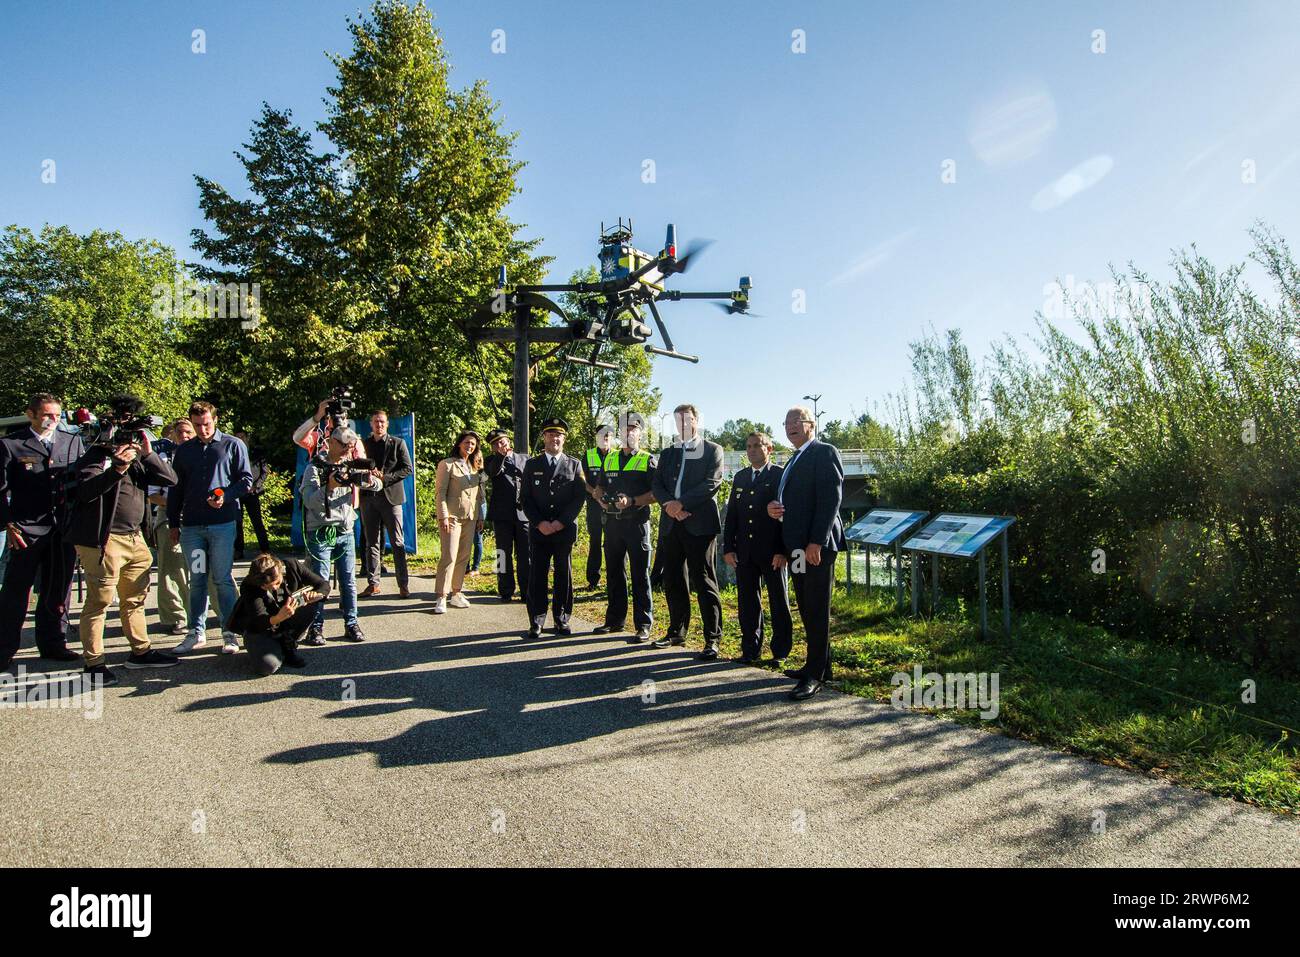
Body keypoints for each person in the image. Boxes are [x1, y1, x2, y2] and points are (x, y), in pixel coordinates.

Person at [65, 396, 181, 685]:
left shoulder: (139, 457)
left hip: (135, 538)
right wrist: (116, 468)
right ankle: (94, 664)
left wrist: (147, 453)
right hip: (103, 540)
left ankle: (140, 652)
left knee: (135, 599)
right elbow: (85, 493)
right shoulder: (95, 456)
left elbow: (170, 479)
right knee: (99, 602)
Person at [0, 393, 86, 671]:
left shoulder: (71, 442)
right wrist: (8, 524)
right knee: (16, 591)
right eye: (48, 415)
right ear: (32, 414)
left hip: (62, 529)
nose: (53, 420)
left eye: (57, 415)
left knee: (58, 589)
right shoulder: (11, 445)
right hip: (26, 529)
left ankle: (53, 643)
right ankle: (5, 648)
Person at [767, 405, 845, 701]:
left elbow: (831, 499)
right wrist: (772, 509)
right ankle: (820, 664)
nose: (790, 427)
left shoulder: (824, 452)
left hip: (816, 547)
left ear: (811, 424)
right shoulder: (792, 461)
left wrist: (817, 541)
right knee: (806, 605)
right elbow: (788, 502)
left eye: (796, 422)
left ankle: (815, 675)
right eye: (786, 423)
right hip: (796, 547)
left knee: (817, 606)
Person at [168, 401, 254, 655]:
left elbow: (246, 480)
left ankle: (230, 632)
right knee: (196, 579)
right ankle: (196, 631)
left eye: (206, 424)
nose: (202, 429)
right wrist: (173, 522)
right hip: (192, 526)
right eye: (197, 425)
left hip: (222, 524)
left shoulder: (232, 444)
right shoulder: (184, 451)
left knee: (222, 578)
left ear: (215, 420)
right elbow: (176, 488)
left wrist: (225, 496)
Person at [651, 404, 725, 657]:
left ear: (696, 420)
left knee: (703, 580)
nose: (682, 424)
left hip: (699, 524)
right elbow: (657, 484)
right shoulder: (668, 453)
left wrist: (681, 504)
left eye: (687, 419)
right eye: (678, 420)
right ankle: (677, 632)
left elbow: (712, 483)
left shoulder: (712, 450)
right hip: (672, 524)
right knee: (673, 579)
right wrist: (669, 507)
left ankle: (712, 638)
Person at [300, 425, 380, 643]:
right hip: (321, 531)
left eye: (351, 445)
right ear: (331, 442)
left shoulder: (350, 465)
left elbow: (377, 485)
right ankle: (315, 628)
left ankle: (351, 624)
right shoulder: (315, 468)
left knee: (348, 580)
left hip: (345, 530)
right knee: (321, 581)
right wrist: (331, 486)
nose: (348, 449)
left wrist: (371, 481)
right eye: (344, 444)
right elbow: (309, 501)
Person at [723, 431, 793, 664]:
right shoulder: (741, 477)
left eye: (757, 445)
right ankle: (750, 650)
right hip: (745, 550)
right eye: (749, 446)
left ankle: (780, 652)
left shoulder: (780, 476)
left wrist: (783, 550)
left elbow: (787, 515)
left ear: (769, 449)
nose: (752, 450)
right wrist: (728, 547)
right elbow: (733, 514)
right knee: (748, 602)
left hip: (772, 551)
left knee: (778, 601)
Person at [592, 414, 657, 643]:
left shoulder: (647, 459)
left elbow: (657, 494)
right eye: (624, 429)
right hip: (612, 523)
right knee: (614, 573)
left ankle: (643, 625)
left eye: (633, 429)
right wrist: (599, 497)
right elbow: (599, 487)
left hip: (637, 524)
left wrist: (632, 501)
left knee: (640, 575)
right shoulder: (609, 459)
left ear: (640, 433)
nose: (628, 433)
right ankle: (614, 621)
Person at [521, 418, 586, 639]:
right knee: (537, 576)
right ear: (544, 438)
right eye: (550, 435)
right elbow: (526, 499)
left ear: (564, 439)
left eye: (558, 435)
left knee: (563, 577)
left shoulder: (575, 465)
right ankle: (536, 621)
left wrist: (560, 523)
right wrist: (540, 523)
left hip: (563, 531)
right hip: (539, 531)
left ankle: (561, 619)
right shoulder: (532, 465)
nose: (555, 438)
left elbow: (578, 499)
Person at [227, 553, 327, 676]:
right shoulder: (250, 585)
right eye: (266, 586)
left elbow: (323, 584)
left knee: (312, 604)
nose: (274, 588)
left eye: (276, 583)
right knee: (267, 668)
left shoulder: (292, 565)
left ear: (280, 571)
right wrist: (279, 617)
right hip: (260, 629)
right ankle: (269, 648)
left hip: (284, 623)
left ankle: (287, 645)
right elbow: (259, 620)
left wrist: (316, 595)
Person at [430, 430, 488, 615]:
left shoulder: (474, 467)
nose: (470, 446)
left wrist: (480, 517)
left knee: (463, 557)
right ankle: (441, 595)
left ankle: (456, 592)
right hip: (452, 518)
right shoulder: (447, 464)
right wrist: (443, 516)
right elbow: (440, 493)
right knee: (449, 556)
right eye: (467, 442)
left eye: (473, 444)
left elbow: (479, 496)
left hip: (470, 518)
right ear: (459, 443)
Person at [359, 410, 414, 598]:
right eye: (376, 422)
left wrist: (386, 478)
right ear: (371, 424)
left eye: (382, 422)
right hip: (368, 498)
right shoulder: (363, 445)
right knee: (371, 542)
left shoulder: (398, 443)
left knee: (398, 542)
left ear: (387, 424)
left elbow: (408, 468)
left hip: (391, 498)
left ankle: (403, 584)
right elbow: (355, 466)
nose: (379, 425)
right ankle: (373, 583)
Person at [483, 428, 529, 604]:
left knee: (526, 554)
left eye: (502, 441)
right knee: (502, 553)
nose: (500, 445)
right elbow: (493, 472)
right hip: (502, 515)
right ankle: (505, 589)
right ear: (493, 448)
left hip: (523, 514)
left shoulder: (524, 458)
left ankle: (526, 590)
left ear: (509, 441)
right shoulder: (491, 461)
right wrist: (500, 456)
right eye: (495, 444)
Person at [580, 425, 616, 589]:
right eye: (602, 436)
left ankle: (613, 578)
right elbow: (581, 479)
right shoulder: (588, 455)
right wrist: (594, 492)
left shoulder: (617, 455)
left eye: (608, 436)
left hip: (612, 506)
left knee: (612, 543)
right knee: (595, 542)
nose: (605, 439)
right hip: (594, 505)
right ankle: (593, 580)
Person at [232, 430, 271, 559]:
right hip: (238, 492)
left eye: (242, 437)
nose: (240, 439)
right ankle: (239, 550)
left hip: (253, 493)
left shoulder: (257, 453)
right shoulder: (232, 452)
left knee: (257, 522)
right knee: (238, 522)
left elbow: (264, 472)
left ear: (247, 438)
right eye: (237, 437)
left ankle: (265, 550)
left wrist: (256, 486)